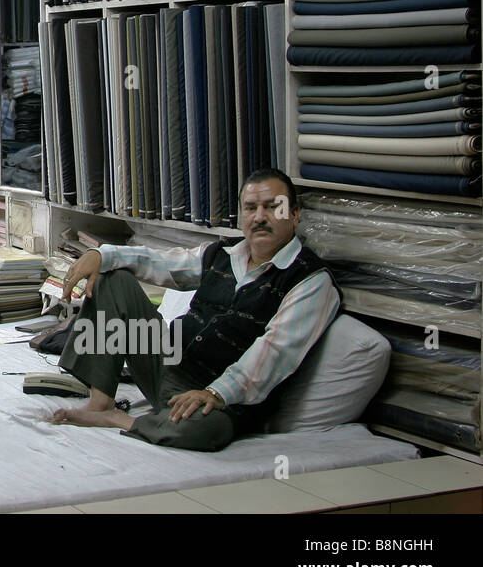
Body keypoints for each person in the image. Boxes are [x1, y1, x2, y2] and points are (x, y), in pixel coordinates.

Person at [49, 168, 340, 451]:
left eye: (273, 206)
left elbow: (275, 352)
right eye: (251, 208)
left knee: (201, 429)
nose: (260, 217)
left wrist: (215, 392)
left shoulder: (310, 280)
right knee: (112, 275)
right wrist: (101, 253)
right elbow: (161, 262)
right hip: (169, 362)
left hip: (219, 399)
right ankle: (101, 404)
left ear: (295, 214)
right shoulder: (224, 253)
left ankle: (122, 420)